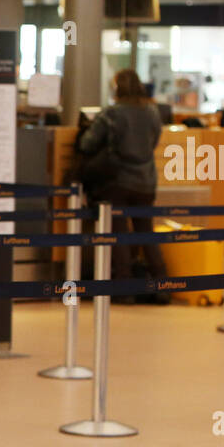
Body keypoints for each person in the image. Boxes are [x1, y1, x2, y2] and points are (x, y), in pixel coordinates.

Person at [79, 67, 169, 304]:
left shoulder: (112, 113)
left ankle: (125, 288)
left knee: (119, 233)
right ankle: (162, 285)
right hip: (146, 181)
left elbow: (88, 143)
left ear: (117, 88)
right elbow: (154, 142)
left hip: (117, 180)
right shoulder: (151, 112)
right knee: (145, 232)